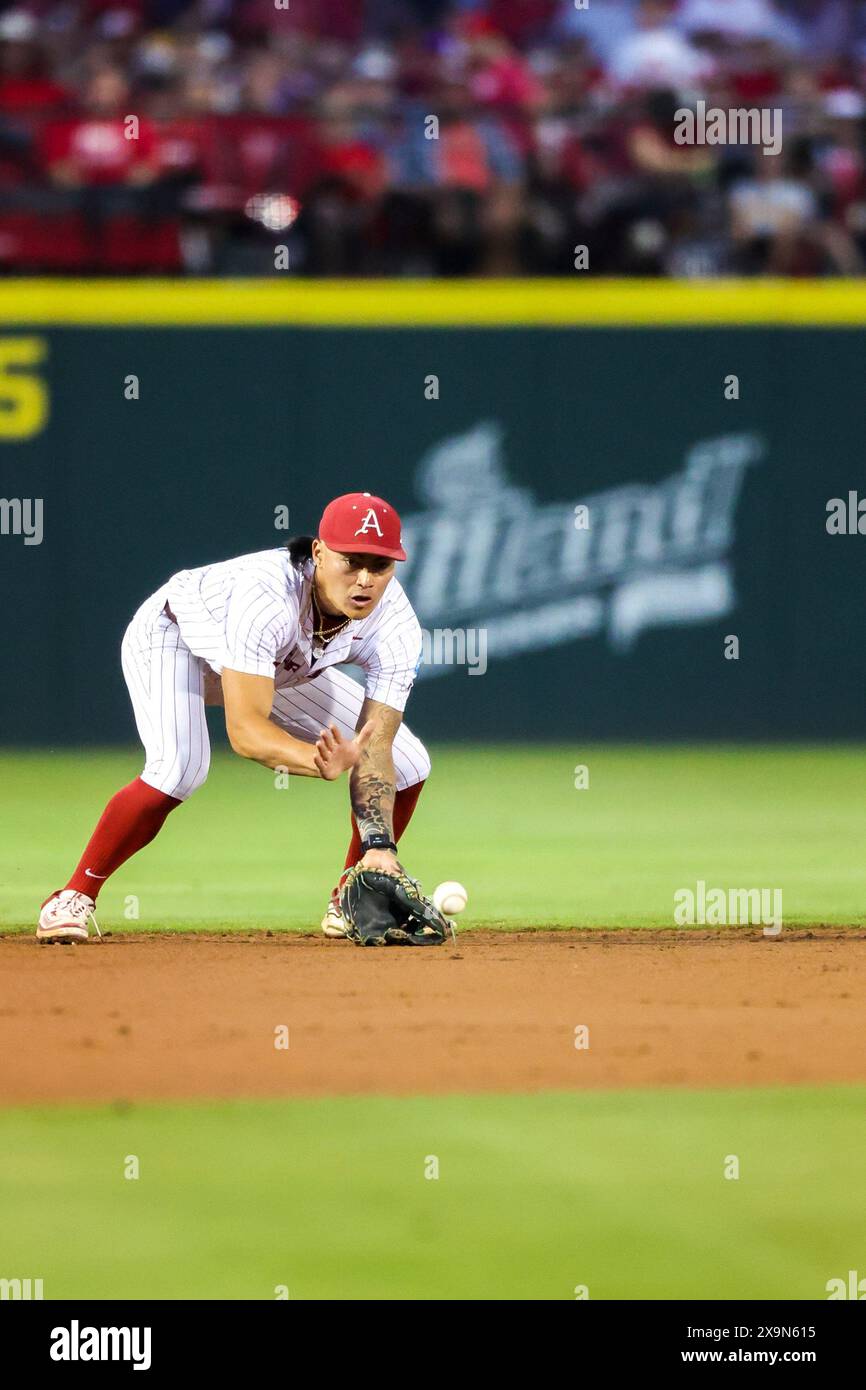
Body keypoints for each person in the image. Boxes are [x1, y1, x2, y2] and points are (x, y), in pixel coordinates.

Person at [36, 492, 430, 944]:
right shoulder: (268, 595)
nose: (364, 579)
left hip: (280, 667)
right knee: (179, 769)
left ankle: (348, 899)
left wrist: (379, 846)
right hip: (176, 639)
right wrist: (314, 760)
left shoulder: (395, 622)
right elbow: (246, 731)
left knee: (409, 763)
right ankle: (72, 897)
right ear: (319, 552)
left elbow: (376, 745)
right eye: (351, 561)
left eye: (379, 565)